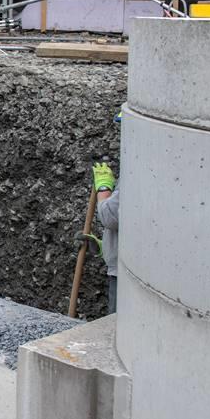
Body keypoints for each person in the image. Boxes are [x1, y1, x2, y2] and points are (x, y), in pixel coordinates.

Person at [92, 112, 122, 314]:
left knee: (117, 328)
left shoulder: (140, 169)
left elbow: (111, 216)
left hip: (124, 274)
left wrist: (103, 188)